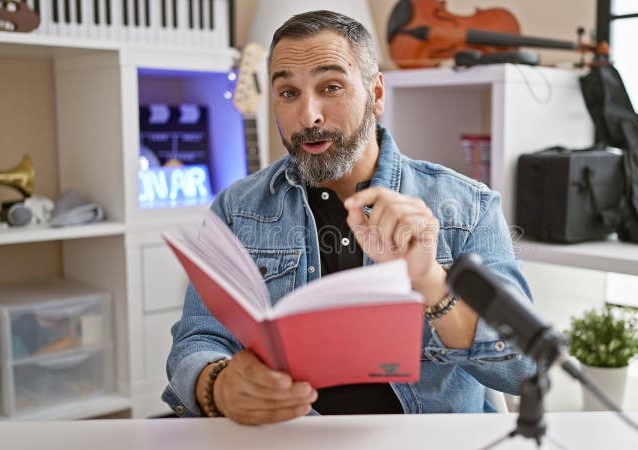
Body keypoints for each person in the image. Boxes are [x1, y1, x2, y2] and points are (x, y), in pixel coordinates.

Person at [162, 10, 535, 424]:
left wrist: (430, 282)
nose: (309, 116)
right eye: (288, 93)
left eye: (331, 87)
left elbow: (523, 367)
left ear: (376, 94)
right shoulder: (237, 208)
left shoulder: (467, 207)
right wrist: (219, 385)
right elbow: (197, 339)